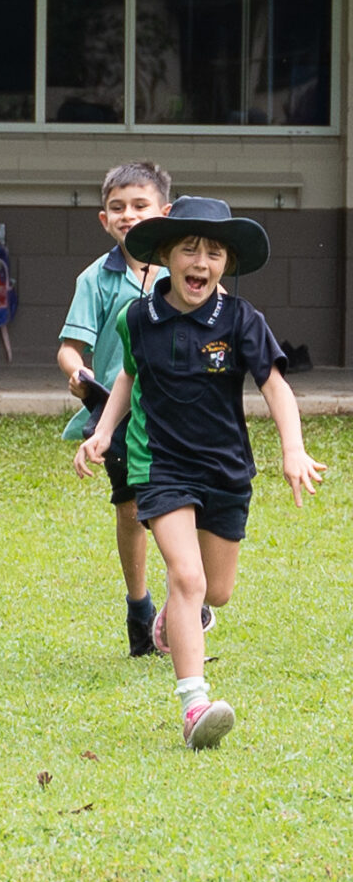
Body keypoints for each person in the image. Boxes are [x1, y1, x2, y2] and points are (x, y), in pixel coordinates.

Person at [75, 197, 325, 750]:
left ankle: (174, 616)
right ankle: (194, 706)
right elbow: (127, 378)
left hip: (226, 471)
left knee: (217, 590)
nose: (202, 261)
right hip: (162, 466)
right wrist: (104, 431)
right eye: (190, 248)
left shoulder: (240, 319)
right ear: (165, 254)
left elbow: (276, 386)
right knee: (186, 578)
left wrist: (293, 449)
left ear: (225, 263)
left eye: (214, 252)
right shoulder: (138, 316)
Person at [57, 161, 174, 656]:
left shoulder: (184, 272)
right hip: (116, 413)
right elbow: (69, 347)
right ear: (104, 220)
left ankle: (186, 599)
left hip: (177, 411)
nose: (129, 215)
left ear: (164, 214)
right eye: (118, 208)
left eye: (140, 206)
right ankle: (140, 608)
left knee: (181, 504)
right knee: (132, 510)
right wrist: (76, 371)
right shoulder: (95, 280)